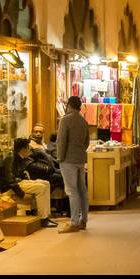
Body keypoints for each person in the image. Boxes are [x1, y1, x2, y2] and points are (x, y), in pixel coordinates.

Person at [0, 138, 58, 227]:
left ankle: (46, 216)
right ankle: (43, 218)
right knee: (42, 187)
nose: (30, 150)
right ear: (23, 149)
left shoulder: (19, 157)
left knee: (46, 183)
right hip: (9, 187)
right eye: (28, 147)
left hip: (19, 182)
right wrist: (21, 194)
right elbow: (10, 180)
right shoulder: (11, 158)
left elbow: (20, 174)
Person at [56, 95, 90, 232]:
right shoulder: (83, 121)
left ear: (68, 105)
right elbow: (87, 141)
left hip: (68, 160)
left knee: (72, 190)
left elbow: (61, 141)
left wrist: (60, 157)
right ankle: (84, 220)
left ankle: (74, 222)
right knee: (82, 190)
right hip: (80, 159)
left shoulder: (65, 120)